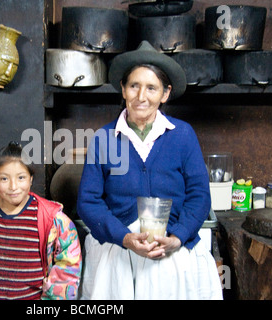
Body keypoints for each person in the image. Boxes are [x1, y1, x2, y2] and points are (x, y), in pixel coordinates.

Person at [77, 41, 222, 300]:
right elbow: (88, 202)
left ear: (165, 94)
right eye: (134, 86)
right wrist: (125, 238)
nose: (141, 96)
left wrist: (178, 237)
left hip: (173, 251)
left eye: (152, 88)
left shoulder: (183, 135)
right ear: (123, 89)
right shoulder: (104, 139)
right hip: (119, 252)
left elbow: (199, 196)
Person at [0, 141, 82, 300]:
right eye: (4, 179)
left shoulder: (53, 220)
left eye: (21, 177)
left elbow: (69, 265)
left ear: (31, 179)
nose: (13, 186)